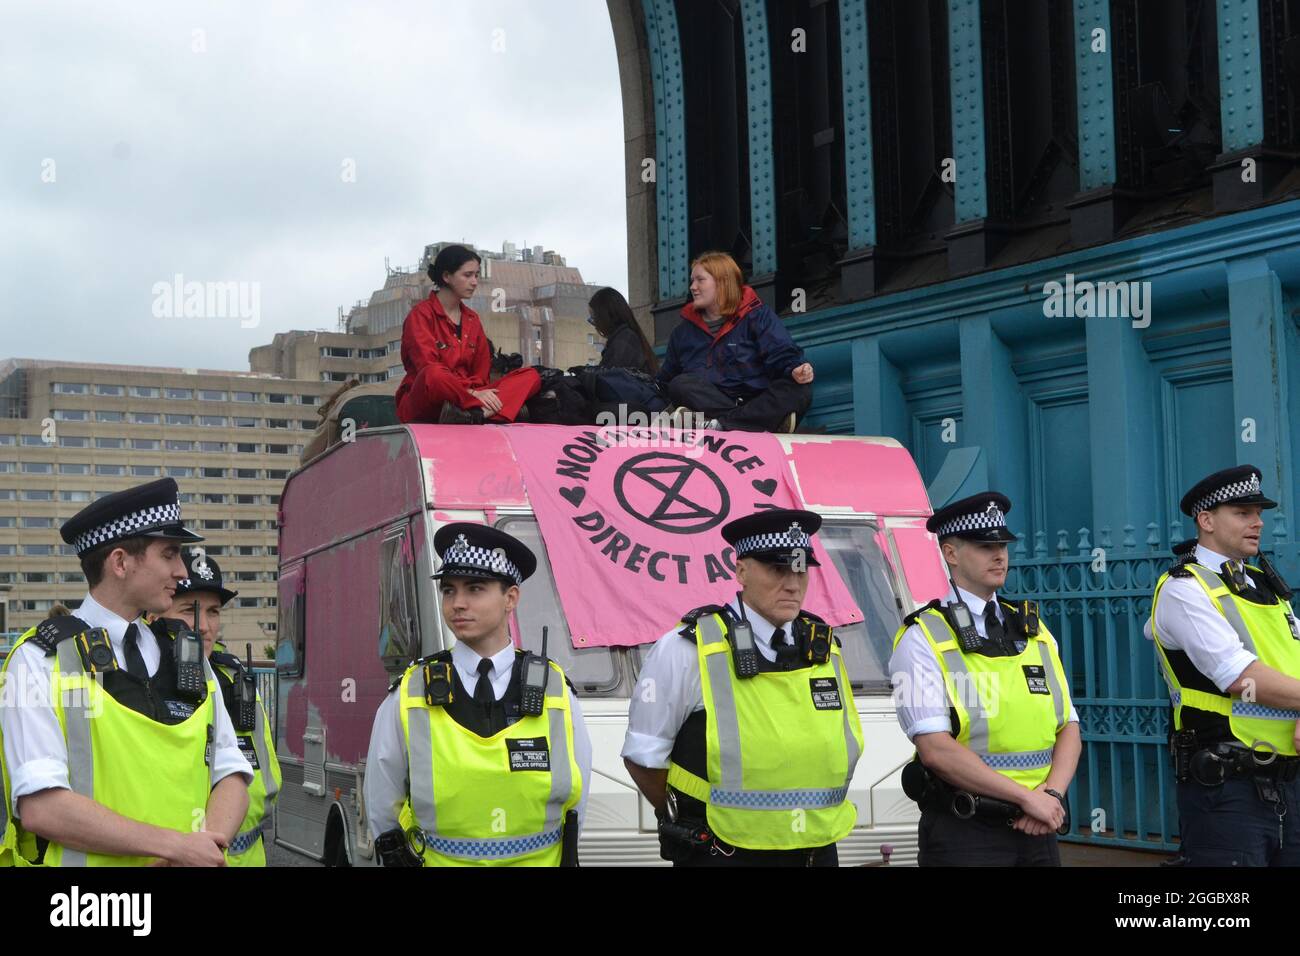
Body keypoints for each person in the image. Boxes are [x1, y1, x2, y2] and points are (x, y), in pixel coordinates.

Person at [0, 479, 251, 867]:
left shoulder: (186, 655)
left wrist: (200, 850)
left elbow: (231, 773)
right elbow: (41, 806)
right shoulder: (36, 660)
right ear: (120, 562)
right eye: (169, 554)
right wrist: (173, 846)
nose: (182, 571)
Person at [622, 508, 863, 866]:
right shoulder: (687, 648)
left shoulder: (825, 648)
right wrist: (691, 820)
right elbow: (643, 757)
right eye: (778, 569)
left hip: (816, 848)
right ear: (741, 571)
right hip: (724, 851)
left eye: (800, 569)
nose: (793, 584)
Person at [363, 523, 591, 866]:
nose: (458, 603)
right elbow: (382, 805)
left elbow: (577, 803)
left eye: (475, 589)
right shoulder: (411, 692)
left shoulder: (554, 690)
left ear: (511, 598)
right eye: (449, 590)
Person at [889, 492, 1080, 866]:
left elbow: (1069, 725)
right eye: (984, 545)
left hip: (1039, 826)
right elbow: (936, 750)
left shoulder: (1035, 630)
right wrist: (1027, 798)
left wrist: (1052, 796)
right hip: (967, 833)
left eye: (1003, 545)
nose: (999, 555)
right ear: (951, 553)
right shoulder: (922, 638)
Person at [1148, 465, 1300, 866]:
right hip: (1227, 789)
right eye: (1243, 513)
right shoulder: (1185, 589)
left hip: (1288, 782)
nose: (1258, 522)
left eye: (1259, 513)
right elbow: (1237, 676)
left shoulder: (1265, 587)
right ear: (1206, 520)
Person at [161, 550, 281, 867]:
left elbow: (264, 779)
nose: (204, 626)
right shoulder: (145, 684)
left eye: (213, 612)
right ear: (155, 613)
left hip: (247, 856)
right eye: (189, 610)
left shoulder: (234, 679)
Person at [656, 251, 813, 432]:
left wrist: (796, 369)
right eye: (692, 281)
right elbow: (665, 381)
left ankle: (723, 425)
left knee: (799, 389)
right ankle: (758, 422)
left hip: (756, 398)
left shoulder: (758, 316)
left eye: (700, 280)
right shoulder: (681, 333)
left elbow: (781, 352)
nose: (693, 287)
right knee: (680, 385)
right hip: (713, 402)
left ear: (723, 282)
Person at [395, 244, 541, 425]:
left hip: (473, 398)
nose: (474, 282)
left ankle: (475, 413)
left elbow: (481, 375)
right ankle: (487, 411)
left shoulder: (472, 319)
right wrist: (470, 394)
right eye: (467, 275)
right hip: (431, 400)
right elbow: (426, 366)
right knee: (433, 374)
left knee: (531, 376)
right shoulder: (420, 315)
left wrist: (478, 392)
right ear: (446, 276)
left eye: (476, 275)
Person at [574, 286, 667, 422]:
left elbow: (610, 384)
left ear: (606, 316)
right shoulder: (627, 338)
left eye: (594, 317)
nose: (593, 323)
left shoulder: (624, 341)